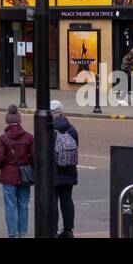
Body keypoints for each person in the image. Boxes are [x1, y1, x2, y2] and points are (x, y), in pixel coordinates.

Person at [0, 104, 35, 238]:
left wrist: (5, 168)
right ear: (19, 119)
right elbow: (34, 158)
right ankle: (22, 233)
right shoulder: (29, 137)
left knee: (10, 206)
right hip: (25, 176)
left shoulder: (3, 138)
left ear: (7, 119)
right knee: (23, 205)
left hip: (8, 176)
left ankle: (13, 234)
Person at [50, 100, 78, 239]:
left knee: (53, 201)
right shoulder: (71, 128)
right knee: (67, 200)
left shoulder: (49, 130)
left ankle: (53, 230)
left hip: (54, 172)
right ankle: (68, 230)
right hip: (69, 171)